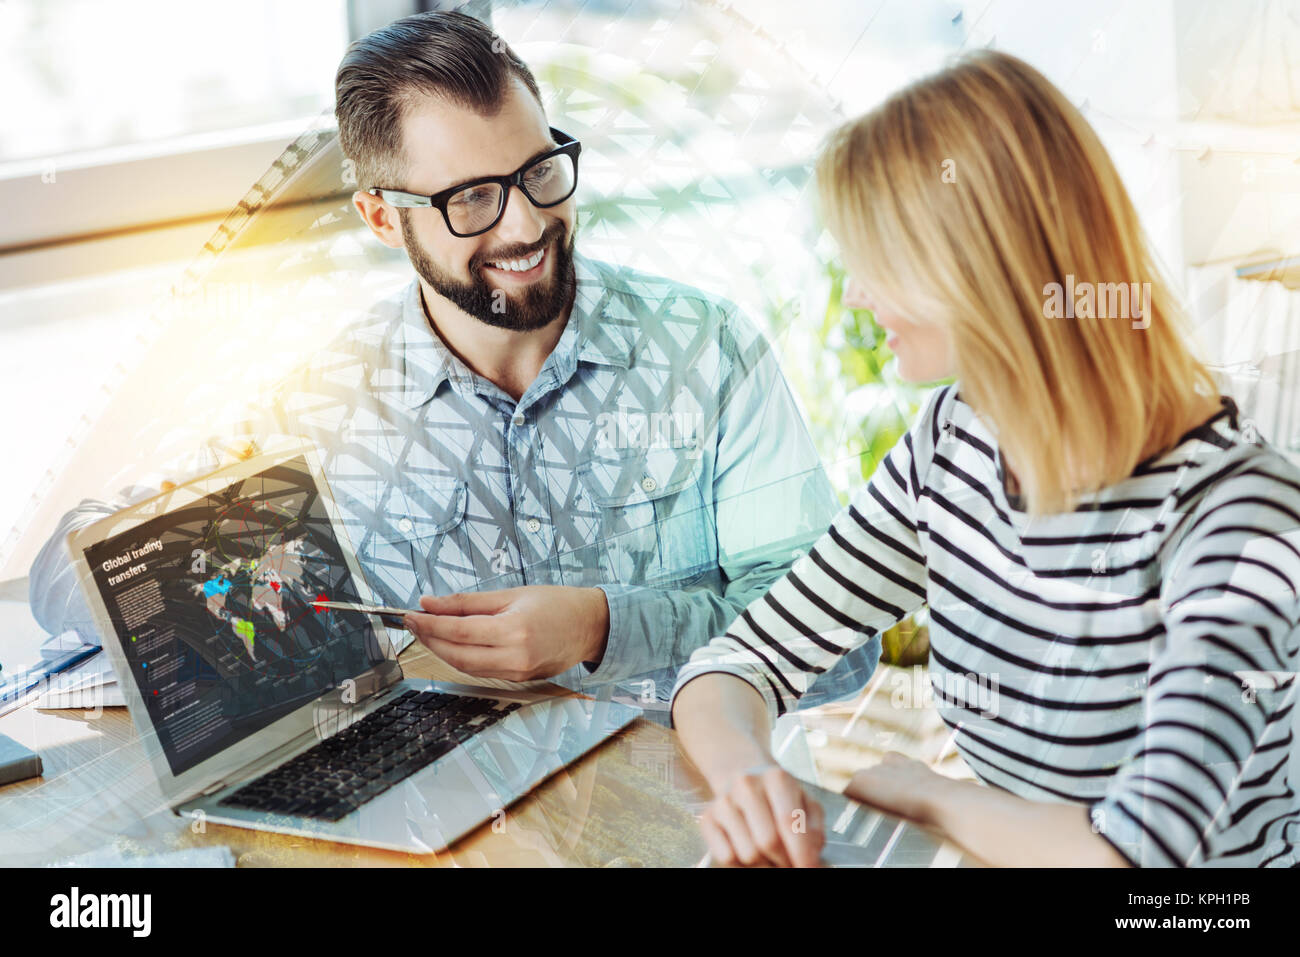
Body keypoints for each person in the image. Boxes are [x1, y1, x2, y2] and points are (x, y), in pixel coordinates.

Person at [28, 11, 877, 707]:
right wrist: (186, 565)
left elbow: (838, 644)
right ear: (381, 217)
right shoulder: (322, 405)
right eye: (471, 198)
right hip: (447, 823)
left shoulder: (708, 349)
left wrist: (602, 627)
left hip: (695, 815)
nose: (526, 224)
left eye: (540, 170)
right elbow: (69, 572)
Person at [670, 49, 1300, 867]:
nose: (856, 293)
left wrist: (934, 794)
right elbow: (739, 660)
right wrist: (749, 777)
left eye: (877, 262)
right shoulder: (953, 438)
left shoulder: (1243, 516)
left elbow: (1132, 854)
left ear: (976, 269)